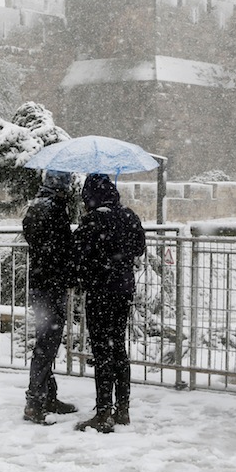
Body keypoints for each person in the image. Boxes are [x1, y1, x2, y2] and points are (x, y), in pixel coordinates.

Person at [72, 173, 147, 433]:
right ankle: (122, 408)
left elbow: (78, 256)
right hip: (123, 289)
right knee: (118, 348)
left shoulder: (93, 221)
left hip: (100, 291)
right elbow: (139, 248)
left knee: (102, 351)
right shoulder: (129, 216)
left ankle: (103, 412)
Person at [21, 169, 80, 425]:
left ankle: (47, 395)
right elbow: (62, 248)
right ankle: (35, 402)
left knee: (46, 340)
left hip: (39, 282)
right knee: (47, 343)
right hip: (51, 284)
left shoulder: (34, 207)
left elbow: (34, 241)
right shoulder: (55, 209)